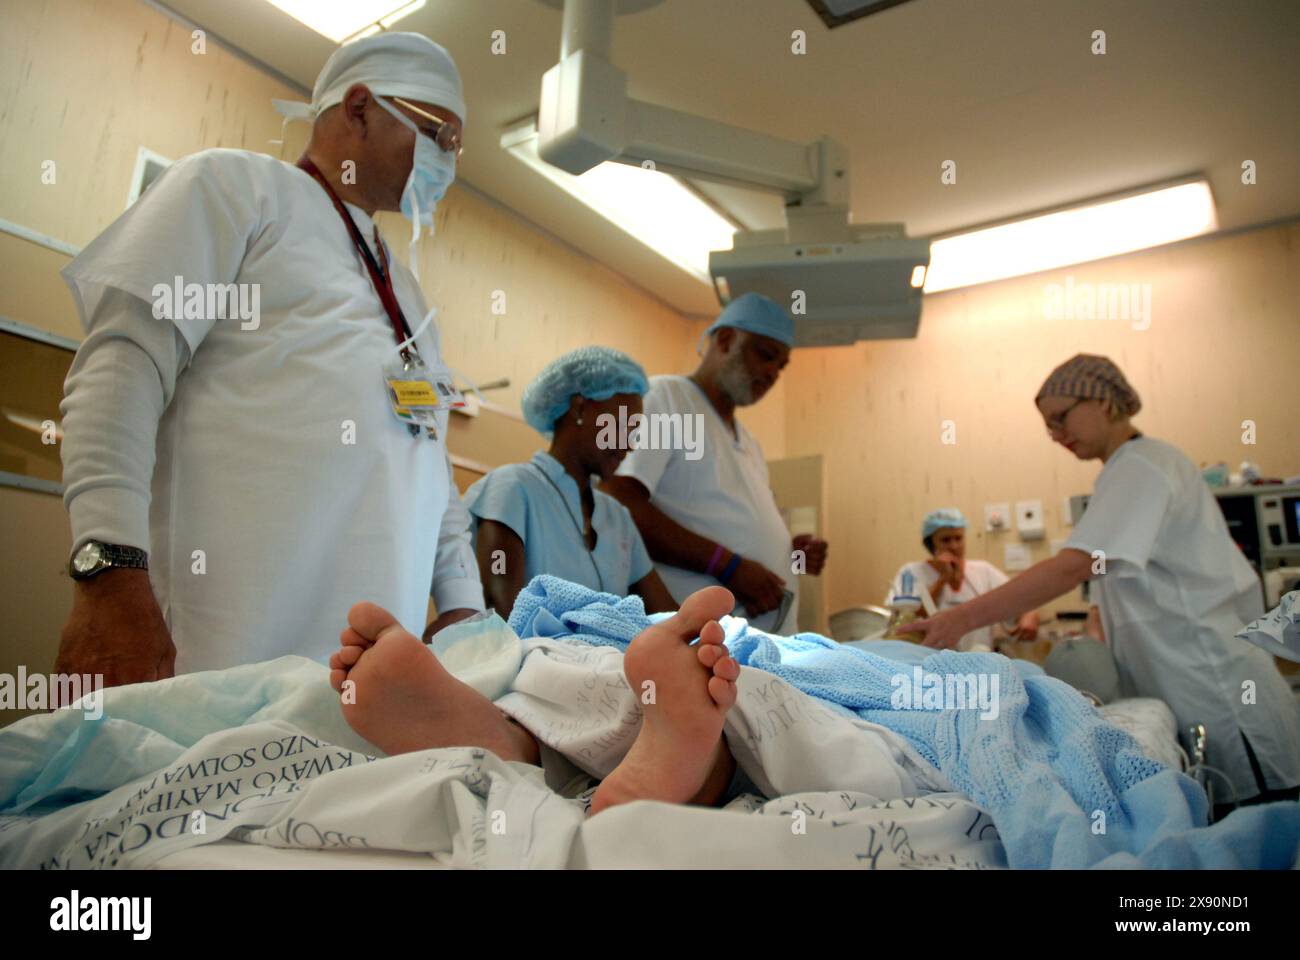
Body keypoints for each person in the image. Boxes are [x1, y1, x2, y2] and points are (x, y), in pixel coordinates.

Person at [54, 33, 485, 684]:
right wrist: (108, 571)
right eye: (435, 135)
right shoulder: (236, 190)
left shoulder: (411, 296)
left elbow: (429, 460)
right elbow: (122, 366)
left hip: (358, 690)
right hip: (215, 653)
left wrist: (462, 607)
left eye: (456, 145)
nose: (446, 161)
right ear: (360, 107)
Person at [905, 354, 1300, 815]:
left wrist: (958, 619)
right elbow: (1114, 579)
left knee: (1261, 826)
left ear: (1105, 401)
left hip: (1217, 690)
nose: (1055, 433)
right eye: (1047, 426)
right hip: (1189, 680)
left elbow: (1075, 567)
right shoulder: (1126, 471)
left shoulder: (1143, 466)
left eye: (1061, 417)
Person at [602, 293, 827, 634]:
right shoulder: (666, 398)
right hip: (700, 641)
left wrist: (789, 551)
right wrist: (728, 566)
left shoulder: (749, 442)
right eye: (766, 356)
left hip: (765, 640)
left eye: (781, 367)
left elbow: (734, 522)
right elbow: (618, 502)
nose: (772, 373)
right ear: (725, 340)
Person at [464, 347, 676, 616]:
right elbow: (502, 606)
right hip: (530, 658)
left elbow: (668, 615)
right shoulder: (512, 488)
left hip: (606, 659)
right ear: (580, 408)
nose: (628, 444)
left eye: (633, 433)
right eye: (622, 427)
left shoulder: (617, 519)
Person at [887, 508, 1039, 651]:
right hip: (928, 665)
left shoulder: (984, 571)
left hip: (980, 661)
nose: (954, 546)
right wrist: (943, 579)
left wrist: (1029, 615)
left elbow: (1018, 600)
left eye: (958, 538)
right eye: (945, 540)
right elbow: (907, 620)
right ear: (931, 544)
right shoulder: (911, 572)